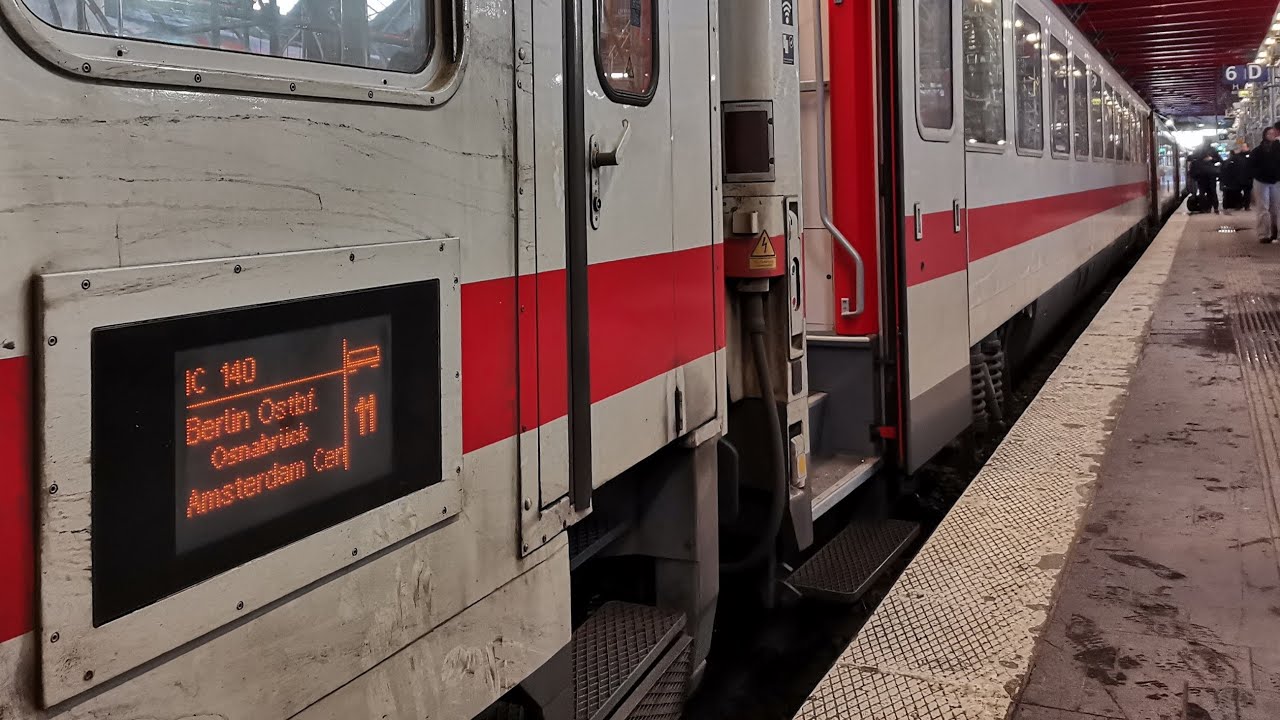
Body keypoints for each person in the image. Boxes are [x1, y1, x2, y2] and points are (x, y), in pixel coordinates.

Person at [1250, 126, 1280, 243]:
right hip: (1261, 181)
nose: (1271, 135)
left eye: (1273, 133)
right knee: (1263, 208)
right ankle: (1263, 234)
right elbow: (1251, 166)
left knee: (1276, 208)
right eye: (1269, 133)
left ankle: (1275, 233)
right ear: (1264, 135)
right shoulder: (1257, 151)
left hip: (1276, 181)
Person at [1189, 144, 1222, 214]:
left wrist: (1196, 178)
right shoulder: (1212, 156)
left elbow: (1192, 169)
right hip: (1211, 178)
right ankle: (1215, 208)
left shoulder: (1197, 160)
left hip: (1201, 179)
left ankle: (1204, 208)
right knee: (1212, 193)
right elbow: (1220, 162)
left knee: (1202, 193)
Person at [1221, 147, 1254, 212]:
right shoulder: (1249, 157)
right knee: (1246, 193)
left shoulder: (1233, 158)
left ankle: (1239, 205)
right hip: (1246, 178)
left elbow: (1227, 168)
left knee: (1238, 193)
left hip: (1238, 179)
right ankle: (1246, 206)